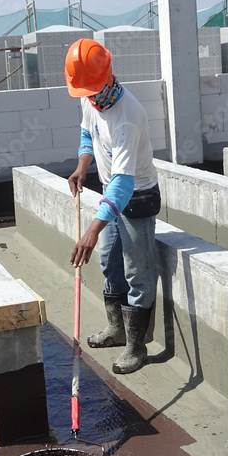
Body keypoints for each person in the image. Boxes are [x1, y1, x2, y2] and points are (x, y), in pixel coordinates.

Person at [65, 38, 160, 375]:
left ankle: (137, 348)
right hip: (111, 193)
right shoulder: (91, 96)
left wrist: (92, 230)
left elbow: (124, 184)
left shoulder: (127, 116)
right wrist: (82, 166)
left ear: (106, 75)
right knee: (109, 261)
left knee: (138, 272)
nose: (87, 97)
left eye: (90, 89)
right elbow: (86, 135)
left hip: (137, 197)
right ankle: (117, 330)